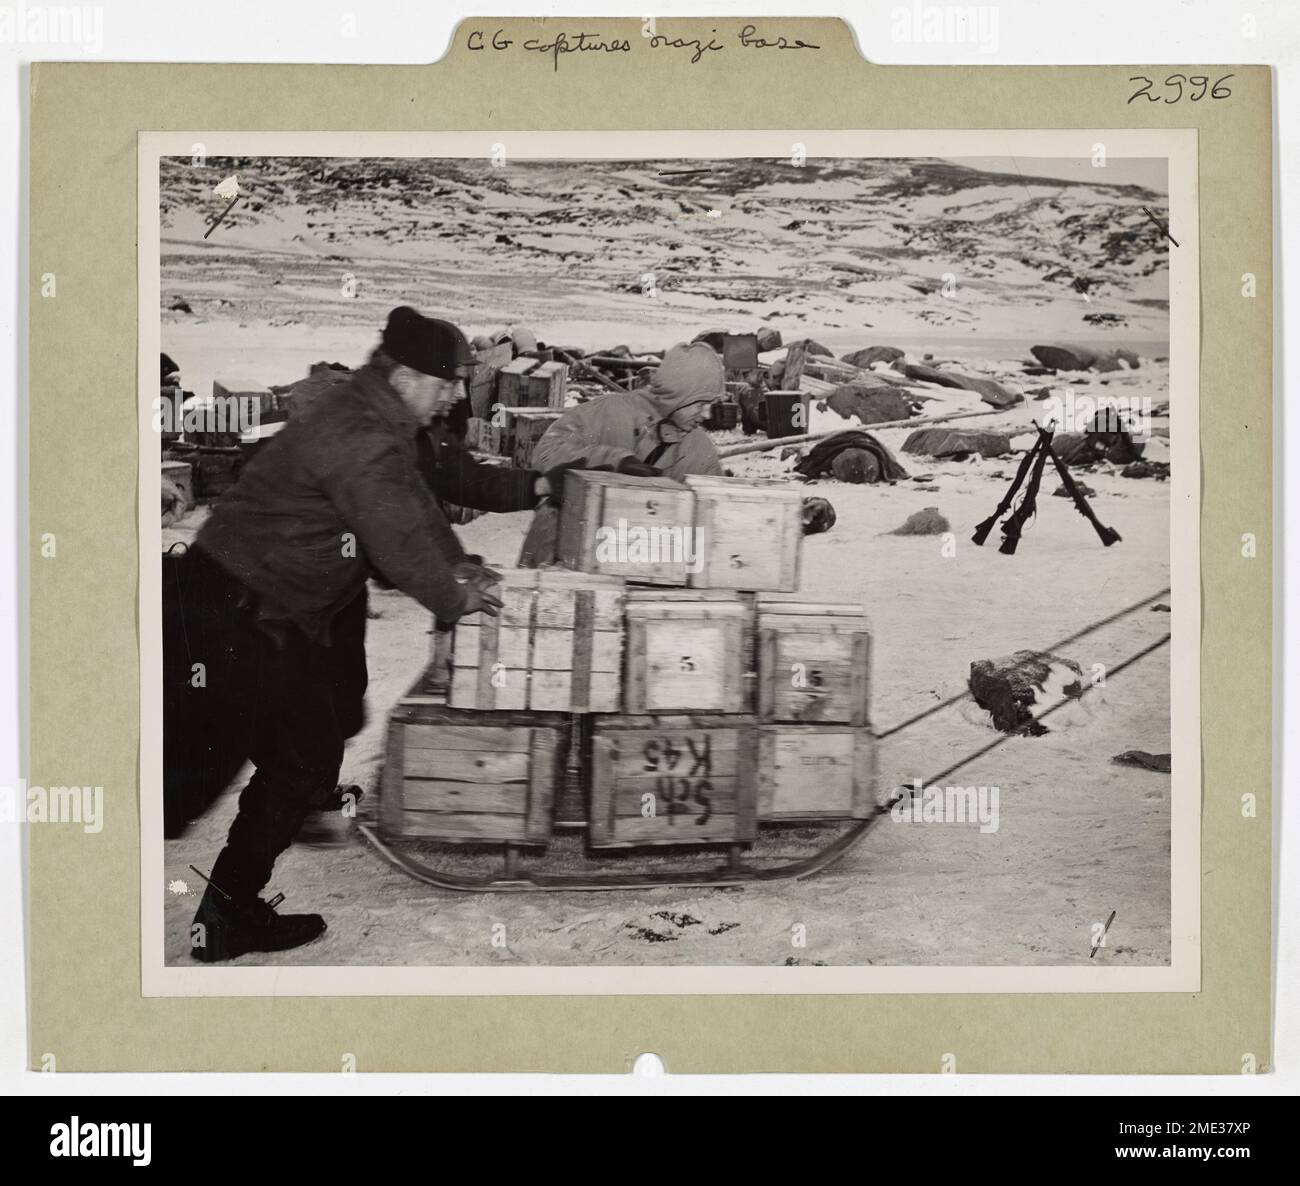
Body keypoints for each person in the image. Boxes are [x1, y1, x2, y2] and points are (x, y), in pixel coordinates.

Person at [174, 306, 502, 962]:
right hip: (239, 606)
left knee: (304, 752)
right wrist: (455, 595)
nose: (458, 395)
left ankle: (228, 910)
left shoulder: (379, 416)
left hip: (263, 605)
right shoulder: (360, 433)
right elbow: (400, 542)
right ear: (407, 376)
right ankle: (223, 912)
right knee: (271, 758)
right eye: (447, 382)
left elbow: (418, 513)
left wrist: (466, 569)